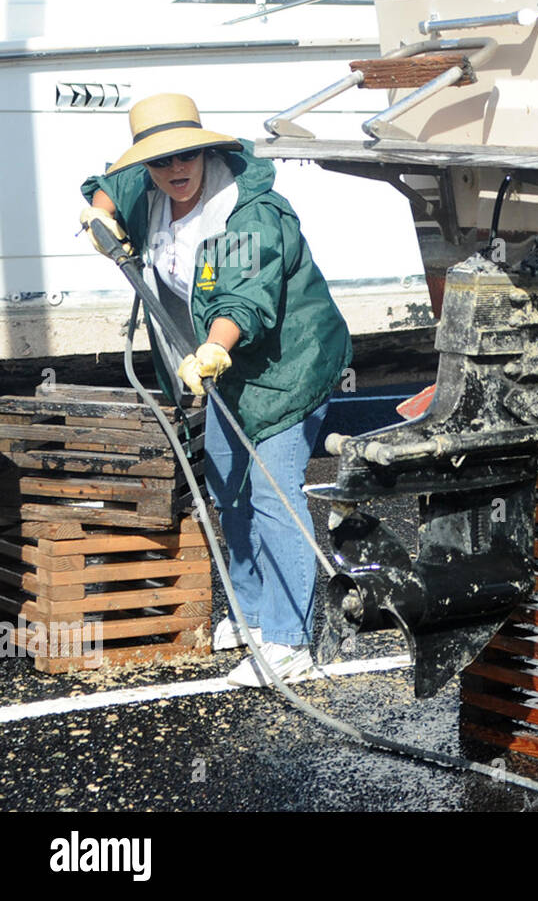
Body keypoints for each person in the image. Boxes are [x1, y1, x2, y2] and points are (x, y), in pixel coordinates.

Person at [79, 93, 352, 687]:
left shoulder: (247, 213)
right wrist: (100, 213)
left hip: (285, 363)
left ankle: (290, 641)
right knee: (227, 489)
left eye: (187, 158)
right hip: (223, 371)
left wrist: (215, 346)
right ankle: (253, 614)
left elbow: (243, 296)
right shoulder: (149, 191)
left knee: (272, 493)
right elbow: (109, 186)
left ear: (207, 151)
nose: (176, 172)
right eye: (161, 163)